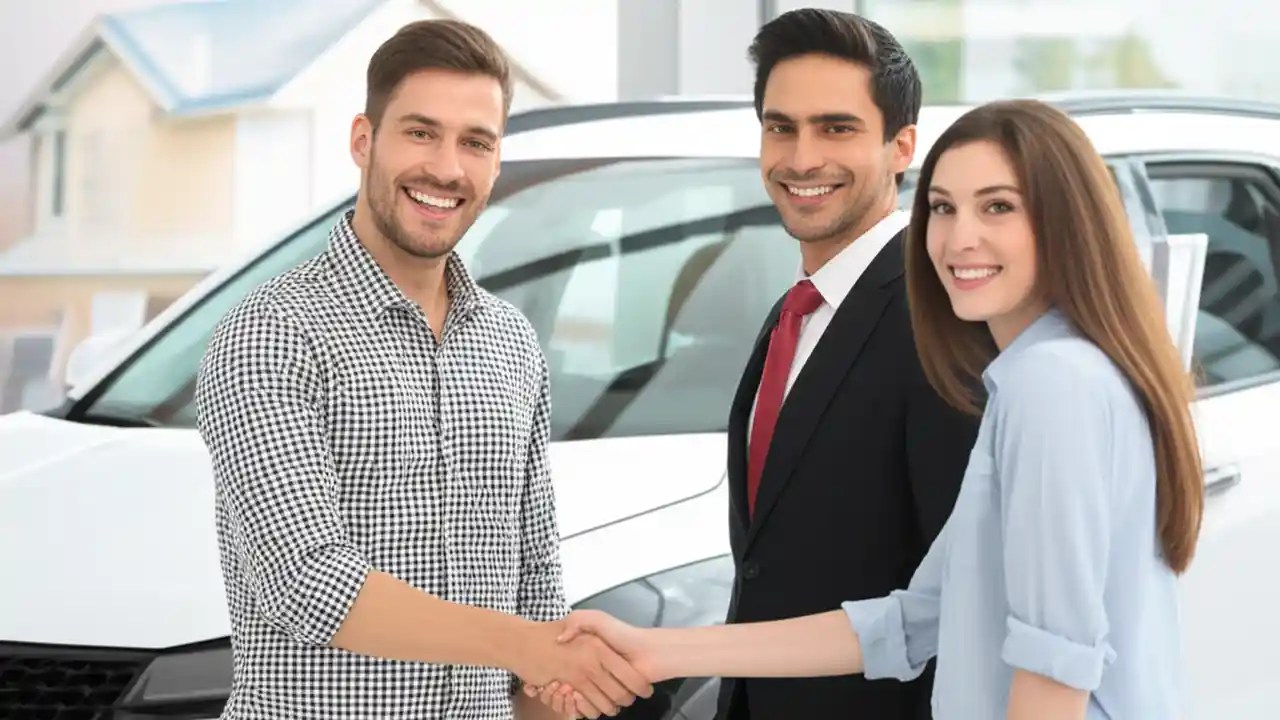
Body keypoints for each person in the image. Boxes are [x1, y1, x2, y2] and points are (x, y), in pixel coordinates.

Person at [534, 98, 1206, 720]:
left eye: (997, 207)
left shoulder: (1052, 382)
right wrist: (661, 651)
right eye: (942, 208)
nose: (959, 237)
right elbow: (914, 621)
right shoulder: (1048, 376)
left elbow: (1055, 670)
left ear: (1065, 224)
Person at [194, 19, 649, 720]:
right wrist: (531, 647)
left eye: (476, 142)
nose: (446, 168)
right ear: (362, 140)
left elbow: (535, 579)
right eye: (420, 132)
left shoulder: (513, 345)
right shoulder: (270, 334)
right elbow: (308, 582)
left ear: (497, 162)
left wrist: (554, 674)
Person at [721, 9, 977, 719]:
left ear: (902, 147)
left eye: (836, 128)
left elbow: (963, 601)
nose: (801, 159)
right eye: (781, 127)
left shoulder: (940, 319)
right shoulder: (793, 313)